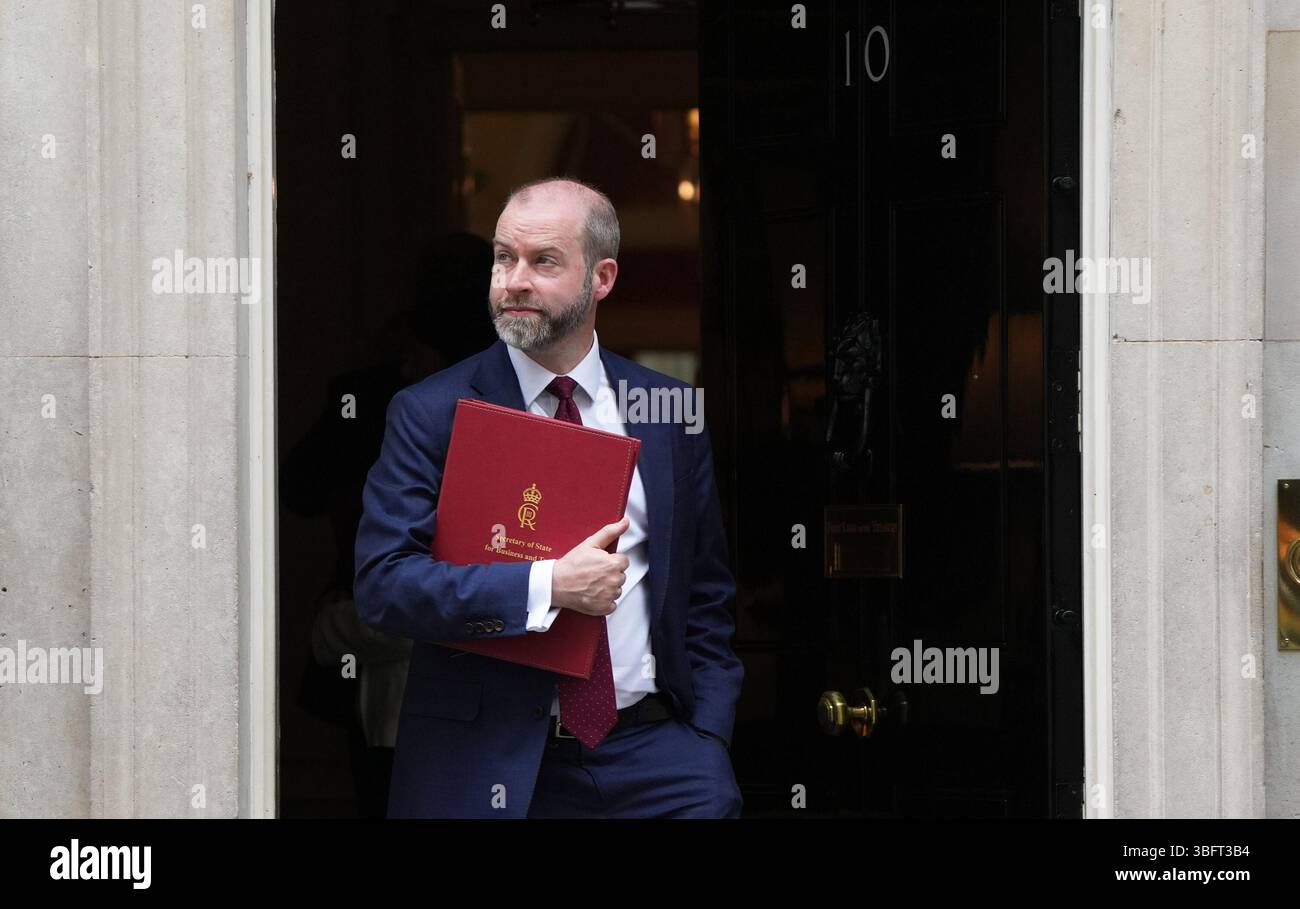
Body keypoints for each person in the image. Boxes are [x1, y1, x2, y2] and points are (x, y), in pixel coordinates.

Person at [353, 176, 744, 818]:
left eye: (544, 262)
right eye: (504, 258)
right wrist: (547, 587)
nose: (514, 281)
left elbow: (706, 594)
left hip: (659, 761)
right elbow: (385, 586)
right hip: (493, 766)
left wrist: (705, 739)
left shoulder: (668, 412)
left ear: (602, 278)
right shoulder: (430, 413)